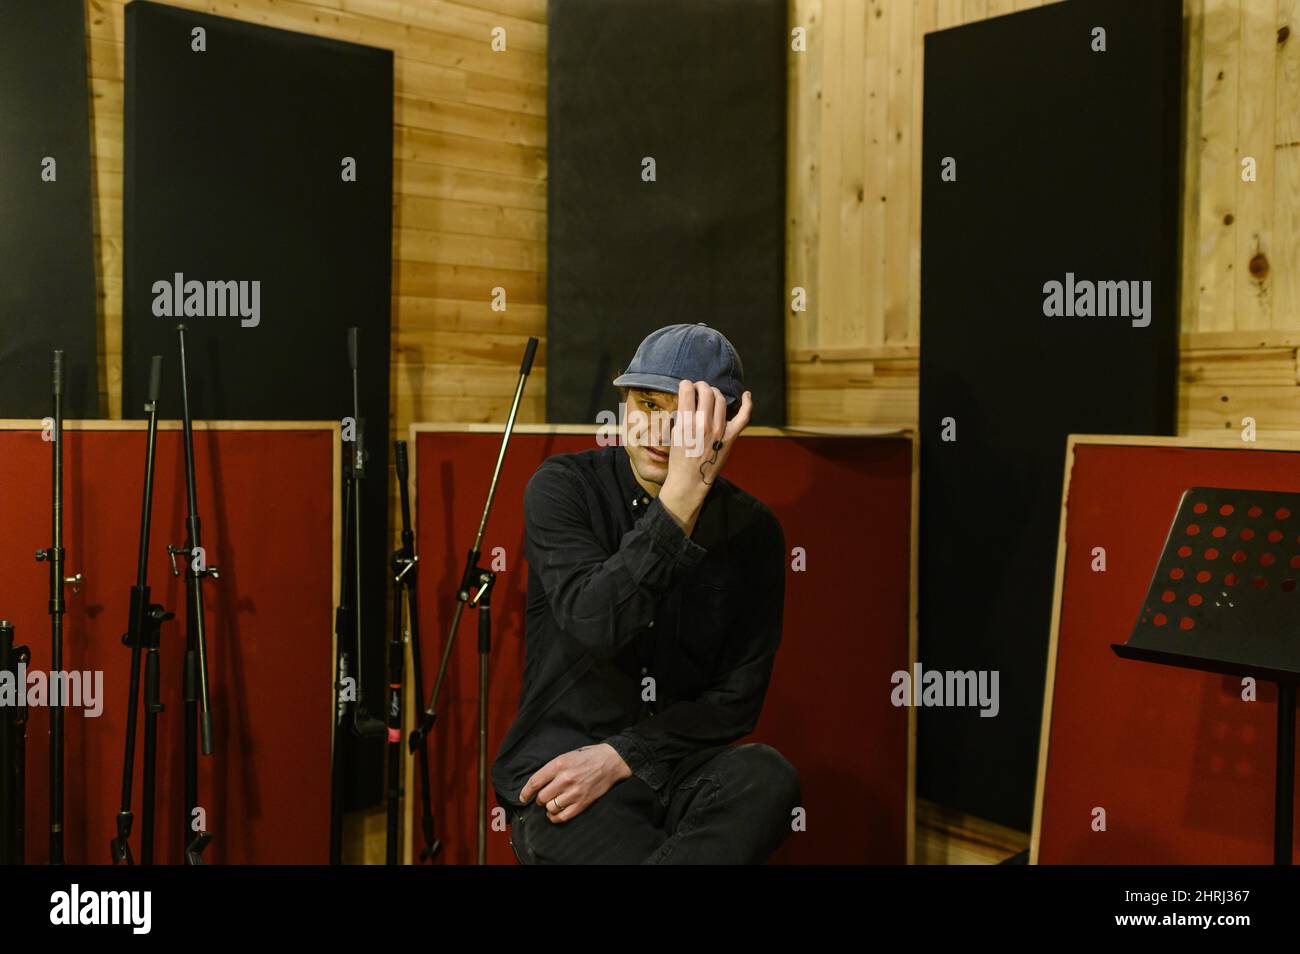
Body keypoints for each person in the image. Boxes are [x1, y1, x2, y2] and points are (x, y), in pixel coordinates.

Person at [490, 322, 799, 864]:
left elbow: (735, 702)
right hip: (563, 774)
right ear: (625, 405)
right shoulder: (563, 488)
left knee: (766, 775)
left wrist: (621, 756)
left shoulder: (754, 531)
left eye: (687, 417)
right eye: (649, 404)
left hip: (673, 769)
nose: (662, 431)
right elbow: (596, 622)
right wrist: (679, 503)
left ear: (724, 426)